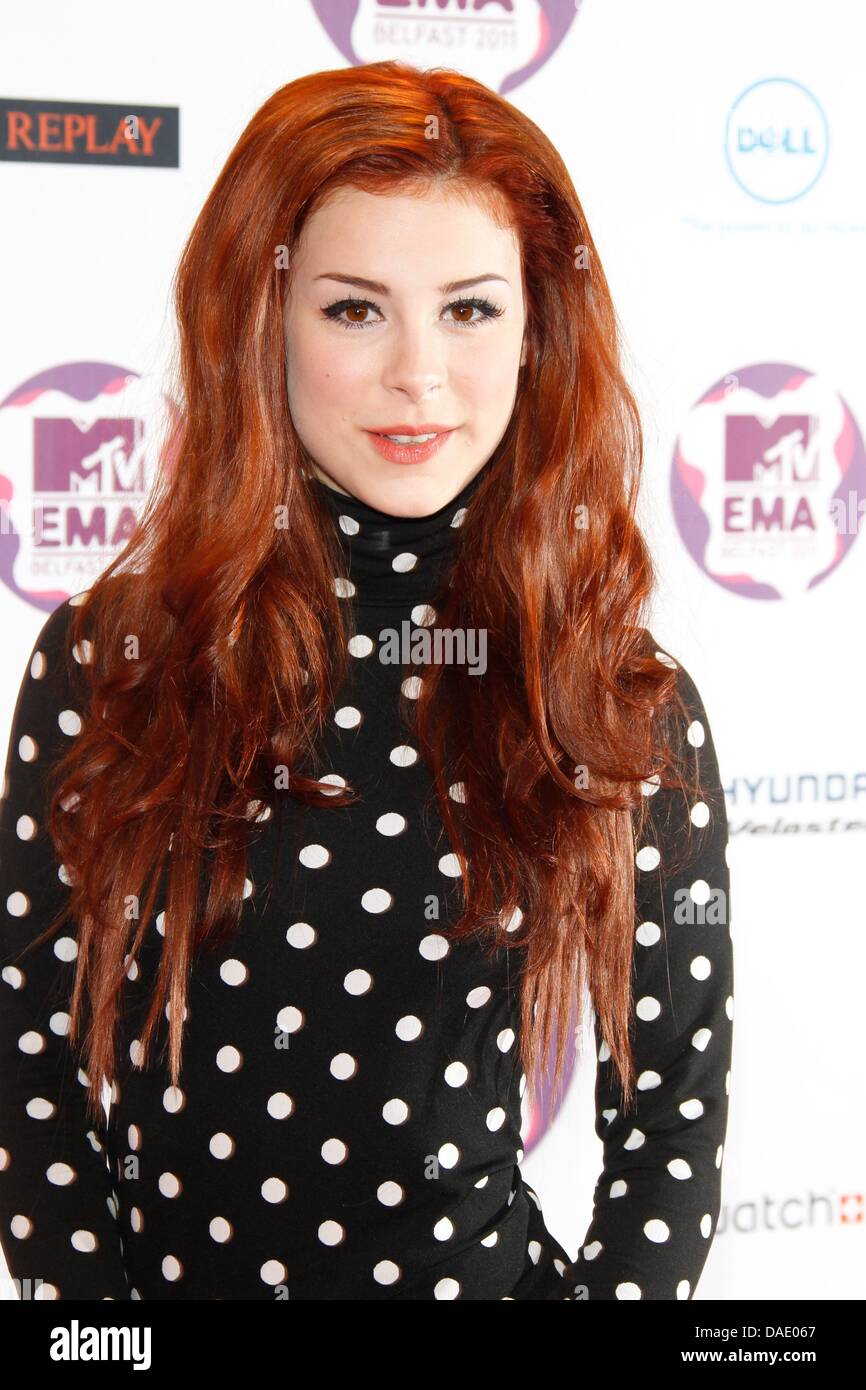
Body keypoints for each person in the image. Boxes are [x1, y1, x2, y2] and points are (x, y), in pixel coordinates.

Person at [0, 60, 733, 1301]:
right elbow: (33, 1079)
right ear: (261, 315)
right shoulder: (110, 658)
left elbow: (670, 1104)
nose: (419, 376)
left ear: (535, 325)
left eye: (468, 309)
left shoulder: (607, 690)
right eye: (353, 309)